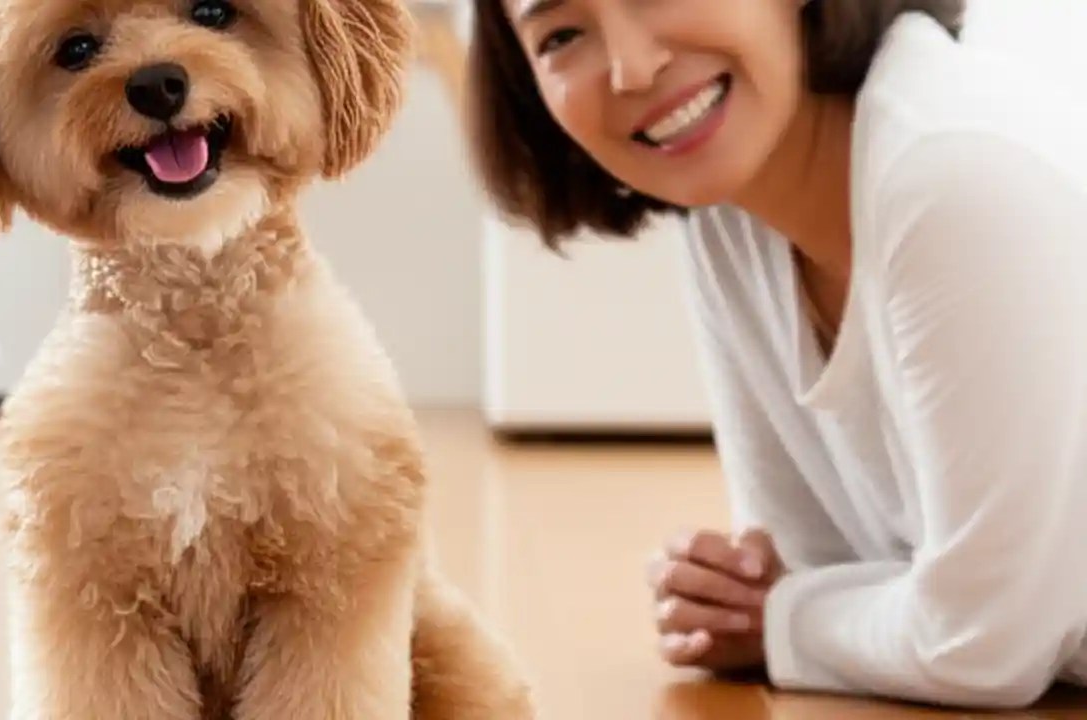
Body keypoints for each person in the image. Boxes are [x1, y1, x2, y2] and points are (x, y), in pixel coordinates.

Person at [465, 0, 1087, 710]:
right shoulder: (730, 218)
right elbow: (807, 571)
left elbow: (980, 648)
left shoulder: (948, 172)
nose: (631, 67)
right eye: (563, 35)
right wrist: (767, 607)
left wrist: (781, 622)